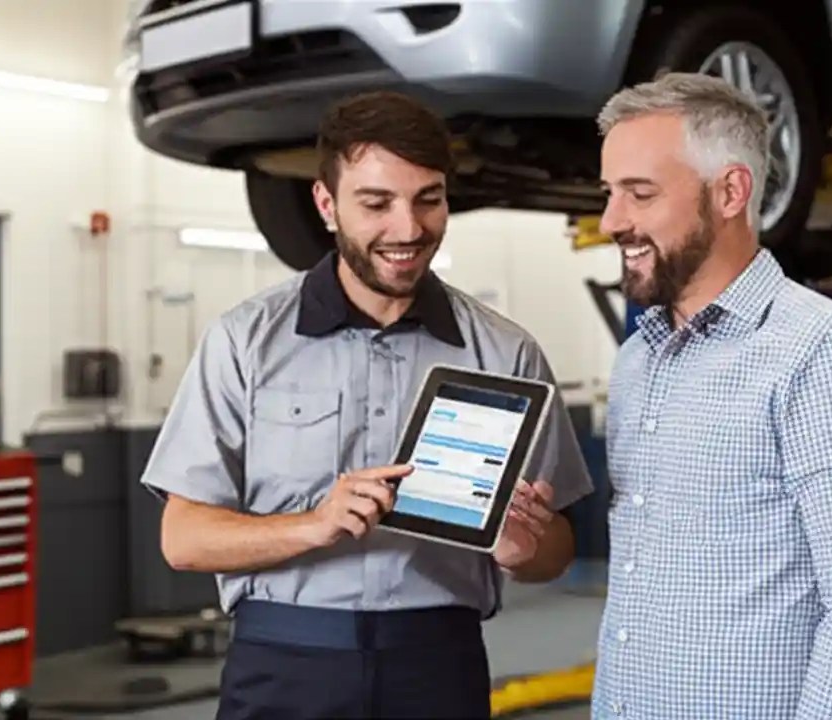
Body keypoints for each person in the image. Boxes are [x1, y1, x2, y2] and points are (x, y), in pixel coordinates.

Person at [139, 90, 594, 720]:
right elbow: (183, 539)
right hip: (284, 664)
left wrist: (523, 550)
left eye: (428, 199)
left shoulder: (504, 351)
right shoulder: (244, 341)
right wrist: (314, 524)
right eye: (377, 203)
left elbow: (557, 550)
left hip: (438, 664)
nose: (407, 229)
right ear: (326, 204)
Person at [593, 72, 832, 719]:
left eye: (640, 194)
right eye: (609, 193)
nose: (612, 221)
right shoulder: (639, 359)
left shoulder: (823, 353)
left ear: (731, 191)